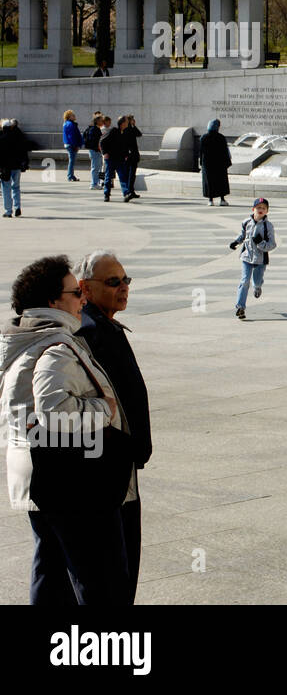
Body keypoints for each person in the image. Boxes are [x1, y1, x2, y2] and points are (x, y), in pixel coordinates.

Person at [0, 255, 132, 604]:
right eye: (76, 292)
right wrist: (103, 410)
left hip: (37, 473)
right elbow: (55, 412)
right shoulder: (55, 346)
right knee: (97, 578)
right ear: (53, 301)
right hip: (70, 480)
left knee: (51, 571)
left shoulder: (23, 340)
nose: (83, 299)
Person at [74, 251, 150, 602]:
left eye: (126, 280)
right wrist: (122, 451)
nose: (124, 288)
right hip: (107, 471)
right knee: (114, 572)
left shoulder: (104, 326)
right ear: (84, 289)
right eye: (113, 282)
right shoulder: (91, 333)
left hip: (119, 464)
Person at [230, 197, 276, 320]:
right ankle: (240, 307)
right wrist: (236, 242)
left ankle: (258, 287)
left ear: (267, 211)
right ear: (253, 209)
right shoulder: (246, 222)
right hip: (246, 256)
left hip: (261, 259)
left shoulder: (268, 226)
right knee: (244, 281)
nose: (261, 210)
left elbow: (272, 244)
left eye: (263, 208)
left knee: (257, 280)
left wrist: (261, 243)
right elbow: (243, 235)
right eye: (258, 207)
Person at [0, 118, 32, 218]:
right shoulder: (18, 138)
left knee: (6, 189)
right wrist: (24, 164)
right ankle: (17, 207)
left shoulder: (1, 138)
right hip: (17, 166)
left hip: (5, 168)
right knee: (16, 187)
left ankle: (8, 211)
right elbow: (24, 152)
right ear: (11, 127)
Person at [100, 116, 133, 203]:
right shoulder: (113, 131)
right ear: (122, 123)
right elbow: (102, 141)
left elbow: (124, 145)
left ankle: (126, 194)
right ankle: (106, 194)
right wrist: (105, 153)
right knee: (108, 177)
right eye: (126, 122)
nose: (128, 123)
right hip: (110, 158)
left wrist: (126, 154)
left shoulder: (124, 132)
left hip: (120, 159)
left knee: (122, 177)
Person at [199, 119, 232, 206]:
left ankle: (210, 200)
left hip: (207, 164)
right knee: (221, 182)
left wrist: (201, 164)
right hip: (219, 164)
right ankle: (222, 200)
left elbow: (200, 152)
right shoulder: (221, 137)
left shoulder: (203, 137)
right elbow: (225, 151)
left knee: (209, 181)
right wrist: (227, 162)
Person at [122, 115, 142, 201]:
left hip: (133, 154)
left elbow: (139, 134)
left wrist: (134, 126)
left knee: (132, 174)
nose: (134, 121)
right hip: (129, 155)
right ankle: (129, 191)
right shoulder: (126, 129)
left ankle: (131, 191)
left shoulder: (131, 128)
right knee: (129, 174)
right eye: (132, 120)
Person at [83, 115, 104, 191]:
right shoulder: (94, 129)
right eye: (101, 120)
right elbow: (95, 141)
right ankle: (94, 184)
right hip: (94, 150)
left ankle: (95, 183)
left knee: (96, 167)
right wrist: (98, 148)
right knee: (95, 167)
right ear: (97, 121)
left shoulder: (94, 129)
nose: (103, 122)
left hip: (94, 150)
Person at [61, 111, 82, 182]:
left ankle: (71, 175)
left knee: (72, 161)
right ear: (69, 116)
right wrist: (75, 145)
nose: (74, 116)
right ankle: (70, 176)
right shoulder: (70, 124)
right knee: (72, 161)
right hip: (71, 144)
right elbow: (72, 136)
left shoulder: (67, 124)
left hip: (69, 144)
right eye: (73, 115)